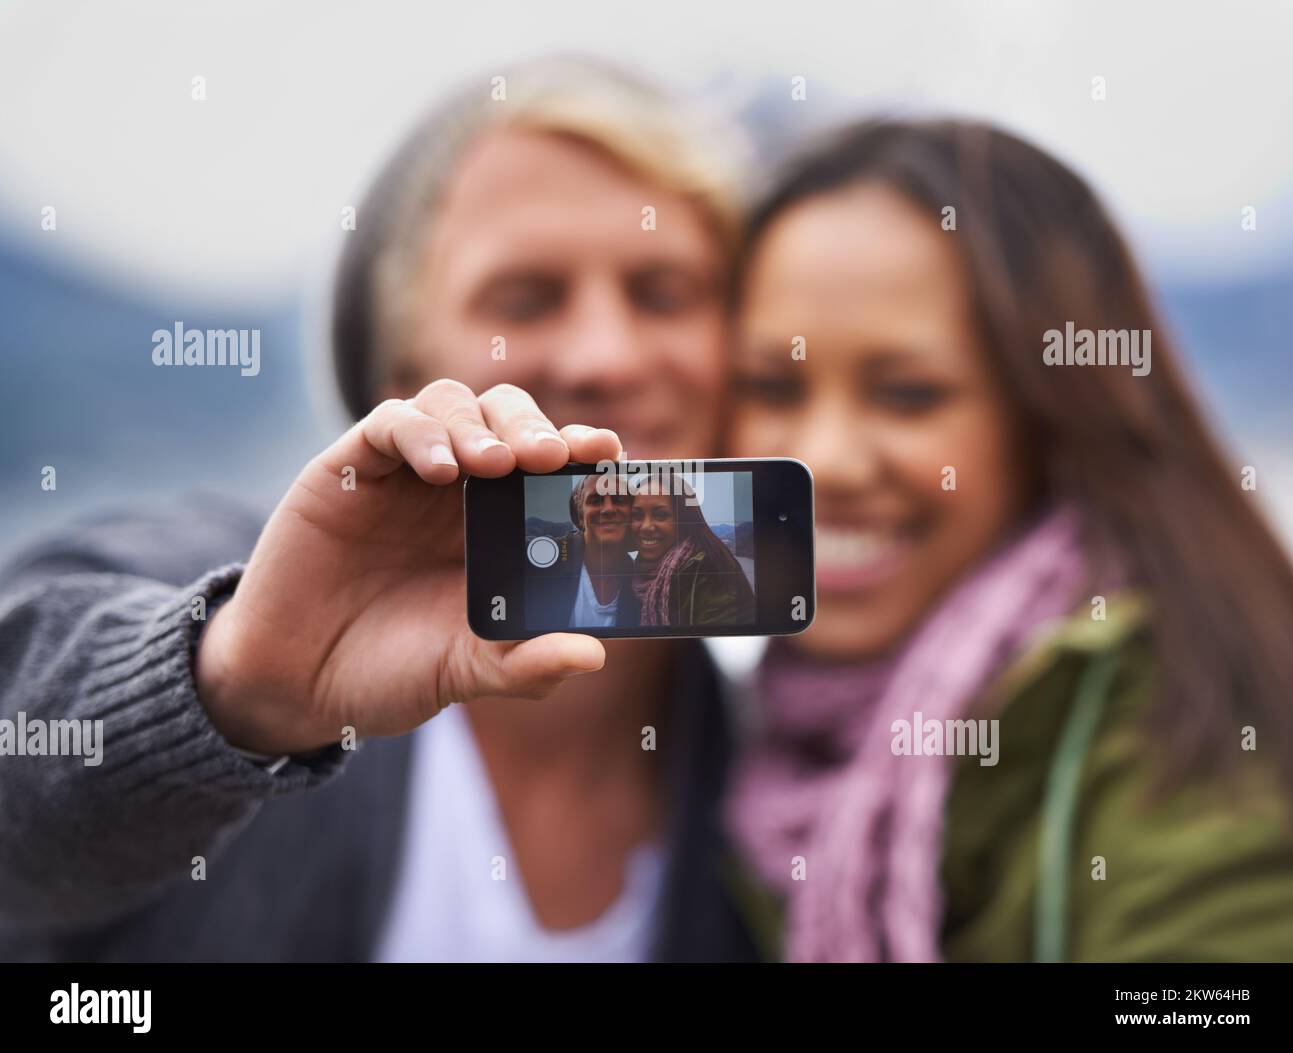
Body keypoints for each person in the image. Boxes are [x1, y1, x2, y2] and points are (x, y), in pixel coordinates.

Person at [0, 56, 760, 962]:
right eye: (525, 297)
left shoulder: (788, 767)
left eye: (664, 294)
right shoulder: (243, 595)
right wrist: (234, 688)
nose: (604, 353)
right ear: (399, 378)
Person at [724, 119, 1293, 962]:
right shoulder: (742, 732)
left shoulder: (1190, 749)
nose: (824, 461)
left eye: (908, 394)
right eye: (772, 386)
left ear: (1050, 417)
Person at [629, 473, 755, 627]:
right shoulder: (638, 573)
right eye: (637, 515)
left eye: (661, 515)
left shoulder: (708, 572)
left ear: (684, 518)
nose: (646, 526)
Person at [525, 474, 641, 630]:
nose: (608, 509)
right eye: (595, 500)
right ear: (580, 515)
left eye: (618, 500)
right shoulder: (550, 556)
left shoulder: (640, 583)